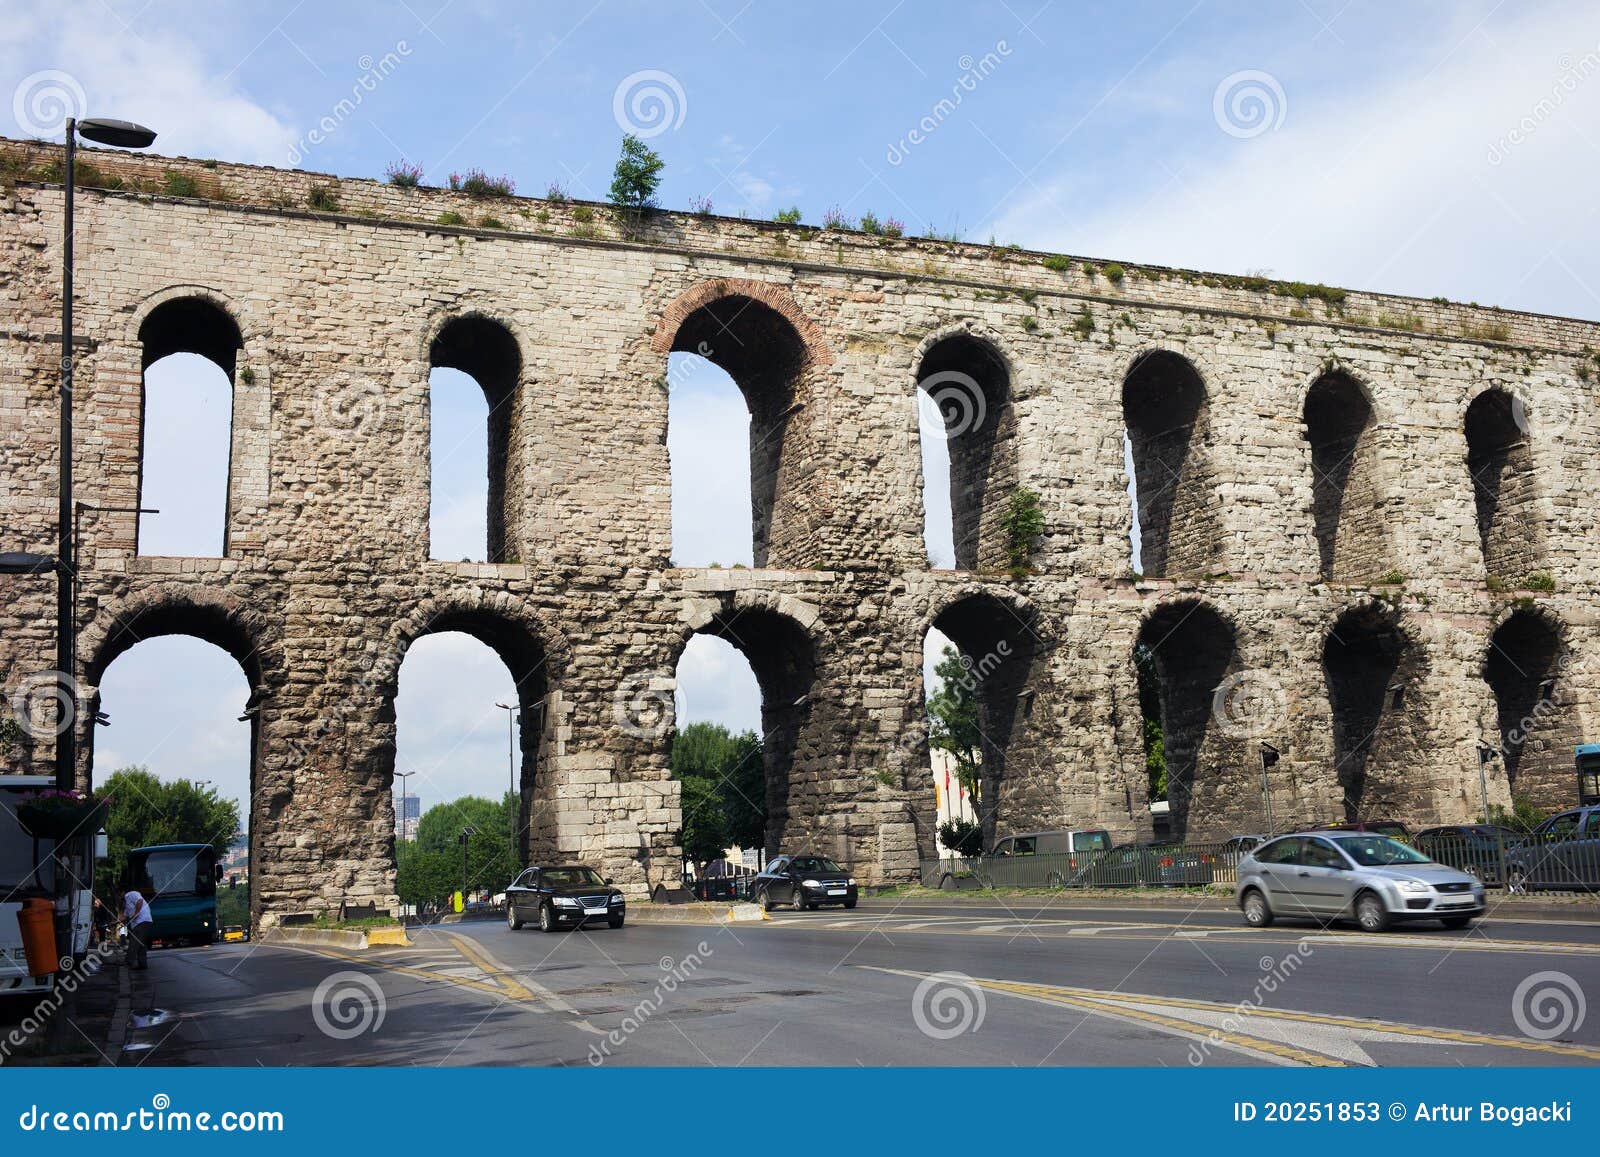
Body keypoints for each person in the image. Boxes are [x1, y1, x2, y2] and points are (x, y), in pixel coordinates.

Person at [122, 884, 153, 970]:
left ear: (121, 892)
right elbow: (124, 917)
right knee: (141, 944)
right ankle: (143, 964)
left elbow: (139, 901)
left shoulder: (130, 894)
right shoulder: (126, 905)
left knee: (134, 942)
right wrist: (113, 922)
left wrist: (136, 913)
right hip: (141, 923)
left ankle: (128, 961)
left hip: (142, 921)